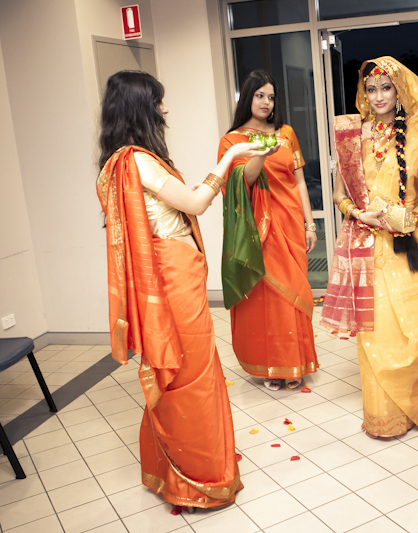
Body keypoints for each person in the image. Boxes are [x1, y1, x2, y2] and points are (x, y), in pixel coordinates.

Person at [96, 71, 268, 511]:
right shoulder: (136, 162)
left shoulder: (118, 163)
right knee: (190, 374)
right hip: (172, 279)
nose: (165, 109)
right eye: (158, 101)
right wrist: (231, 158)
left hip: (174, 274)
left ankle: (180, 471)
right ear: (139, 108)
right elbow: (194, 204)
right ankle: (197, 481)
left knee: (187, 369)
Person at [321, 57, 418, 438]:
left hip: (408, 244)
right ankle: (382, 417)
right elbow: (339, 195)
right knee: (375, 331)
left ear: (399, 91)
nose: (378, 96)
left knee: (413, 329)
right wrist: (360, 215)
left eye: (386, 88)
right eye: (371, 89)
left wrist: (412, 215)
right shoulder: (350, 135)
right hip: (367, 243)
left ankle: (409, 410)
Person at [218, 70, 319, 391]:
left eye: (271, 97)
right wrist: (261, 155)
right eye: (260, 95)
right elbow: (241, 181)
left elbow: (299, 180)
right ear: (247, 97)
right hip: (258, 228)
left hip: (290, 222)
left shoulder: (286, 133)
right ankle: (272, 366)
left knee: (293, 295)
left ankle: (295, 363)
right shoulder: (232, 141)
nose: (266, 102)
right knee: (267, 300)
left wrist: (310, 223)